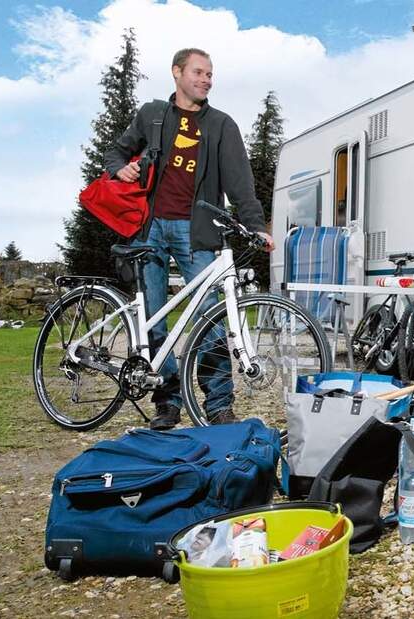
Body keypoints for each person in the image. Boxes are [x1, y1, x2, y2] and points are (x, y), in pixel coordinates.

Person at [105, 48, 273, 429]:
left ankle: (218, 404)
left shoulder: (221, 125)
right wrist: (119, 170)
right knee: (153, 318)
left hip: (195, 230)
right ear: (177, 72)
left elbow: (240, 183)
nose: (206, 80)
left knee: (210, 316)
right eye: (198, 72)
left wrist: (256, 224)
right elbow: (115, 153)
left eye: (209, 74)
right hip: (149, 228)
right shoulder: (152, 115)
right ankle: (166, 401)